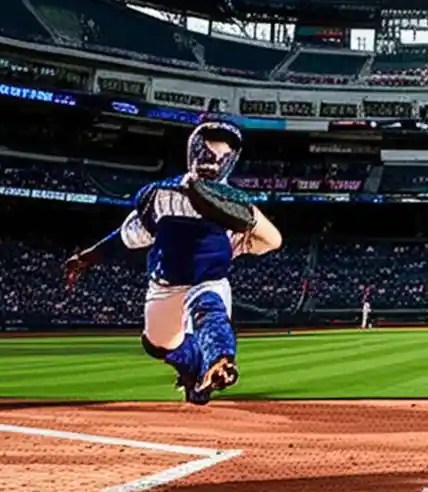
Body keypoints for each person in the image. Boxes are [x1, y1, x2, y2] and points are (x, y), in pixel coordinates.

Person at [63, 120, 282, 405]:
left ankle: (220, 361)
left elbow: (270, 240)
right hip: (164, 285)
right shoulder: (160, 197)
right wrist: (87, 257)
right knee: (157, 344)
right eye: (208, 152)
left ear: (230, 161)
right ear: (193, 151)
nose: (213, 161)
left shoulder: (236, 205)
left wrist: (235, 223)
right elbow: (127, 237)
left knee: (209, 307)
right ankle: (193, 370)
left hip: (207, 280)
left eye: (221, 156)